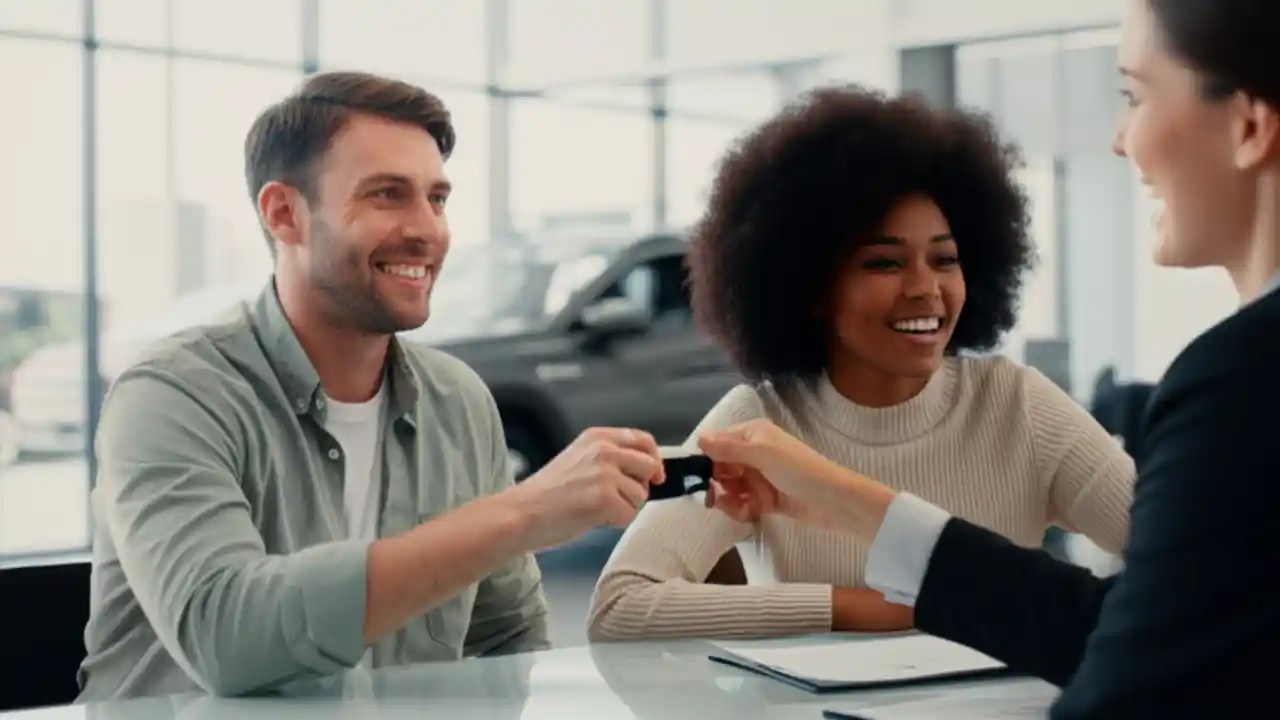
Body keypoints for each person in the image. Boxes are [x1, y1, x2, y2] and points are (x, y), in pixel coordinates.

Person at [692, 0, 1280, 715]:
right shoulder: (761, 416)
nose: (1122, 140)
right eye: (881, 262)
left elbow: (1133, 681)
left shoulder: (1239, 385)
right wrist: (853, 506)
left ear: (1250, 126)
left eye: (1135, 95)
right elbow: (1137, 623)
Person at [77, 71, 666, 700]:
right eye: (388, 195)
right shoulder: (171, 395)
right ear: (284, 214)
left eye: (437, 199)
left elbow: (506, 639)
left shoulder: (459, 402)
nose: (428, 230)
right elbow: (225, 634)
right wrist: (524, 512)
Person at [588, 87, 1135, 641]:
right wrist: (856, 608)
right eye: (883, 263)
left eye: (945, 260)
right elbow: (620, 605)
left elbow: (1202, 567)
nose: (926, 289)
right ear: (813, 287)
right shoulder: (760, 425)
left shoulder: (1019, 406)